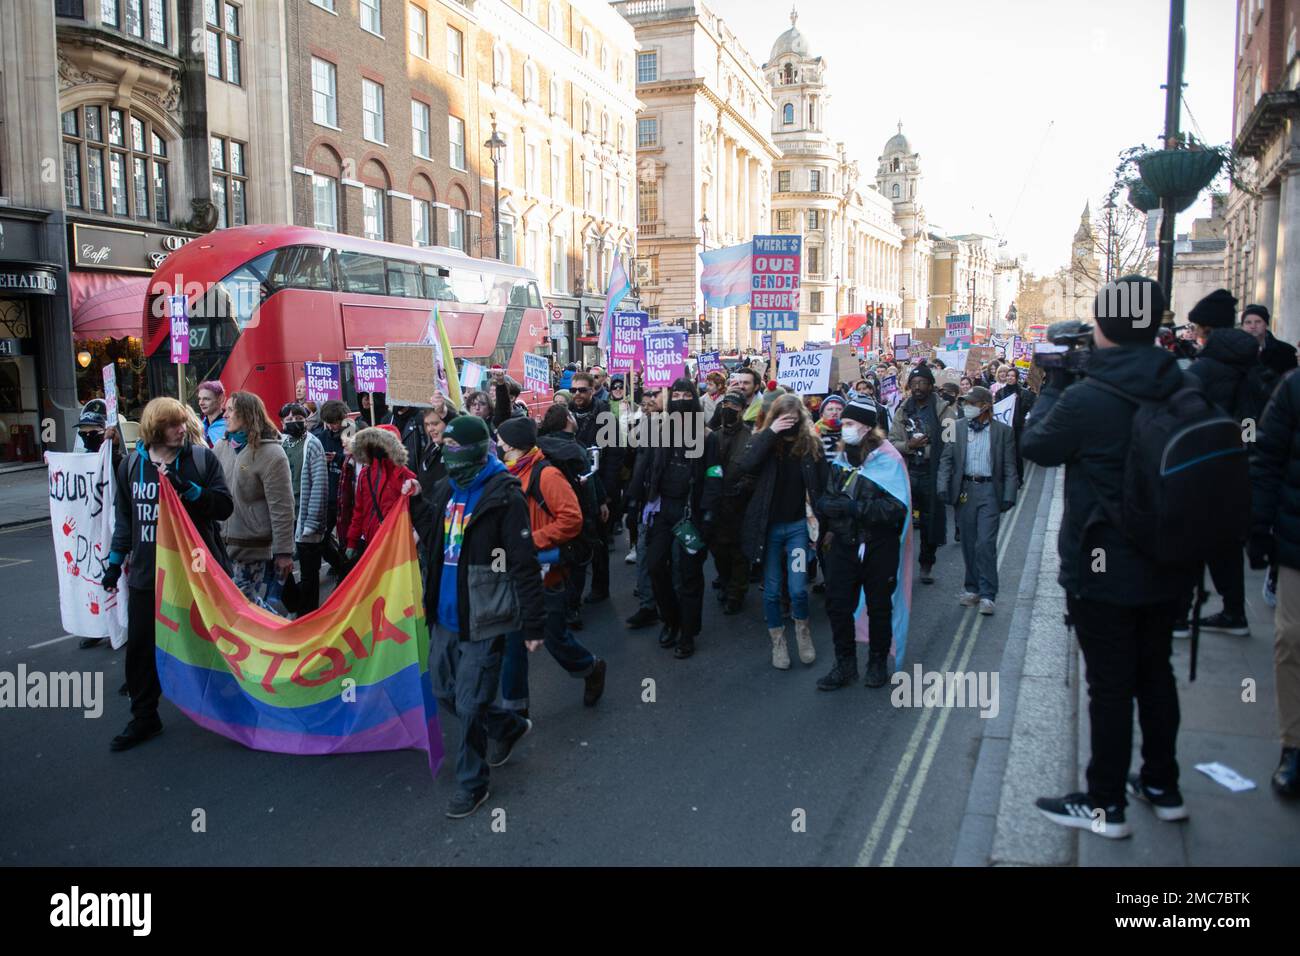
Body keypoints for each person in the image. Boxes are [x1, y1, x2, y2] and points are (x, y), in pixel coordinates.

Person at [1023, 276, 1195, 839]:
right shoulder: (1183, 386)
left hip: (1104, 564)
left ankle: (1104, 804)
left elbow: (1037, 446)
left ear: (1101, 327)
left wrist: (1053, 380)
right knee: (1156, 672)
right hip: (1171, 559)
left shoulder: (1086, 396)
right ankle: (1163, 787)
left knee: (1110, 685)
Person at [412, 414, 545, 819]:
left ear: (475, 451)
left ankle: (473, 782)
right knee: (444, 692)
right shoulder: (443, 490)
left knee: (470, 704)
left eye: (456, 449)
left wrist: (533, 623)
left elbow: (522, 561)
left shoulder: (504, 495)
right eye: (445, 449)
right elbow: (434, 540)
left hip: (485, 616)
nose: (448, 456)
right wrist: (415, 500)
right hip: (445, 615)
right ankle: (506, 725)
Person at [101, 397, 233, 750]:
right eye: (173, 425)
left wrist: (188, 490)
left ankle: (228, 703)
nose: (182, 429)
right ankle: (144, 716)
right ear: (155, 429)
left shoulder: (201, 459)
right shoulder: (131, 466)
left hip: (198, 573)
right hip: (148, 575)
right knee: (141, 648)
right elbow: (125, 521)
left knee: (212, 641)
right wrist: (114, 564)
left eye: (182, 423)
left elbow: (223, 506)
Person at [495, 415, 607, 717]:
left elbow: (571, 520)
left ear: (517, 446)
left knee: (556, 640)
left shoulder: (547, 476)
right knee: (512, 645)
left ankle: (590, 667)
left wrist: (530, 541)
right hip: (518, 574)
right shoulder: (508, 471)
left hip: (546, 574)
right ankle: (515, 716)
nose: (498, 446)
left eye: (502, 442)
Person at [1179, 289, 1258, 637]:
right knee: (1225, 543)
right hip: (1238, 464)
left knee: (1189, 541)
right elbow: (1252, 420)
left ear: (1206, 330)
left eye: (1197, 328)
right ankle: (1234, 611)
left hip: (1204, 463)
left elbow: (1186, 413)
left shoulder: (1206, 369)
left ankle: (1180, 615)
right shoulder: (1252, 358)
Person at [815, 399, 909, 690]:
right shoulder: (842, 459)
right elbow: (828, 497)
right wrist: (829, 507)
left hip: (879, 545)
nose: (844, 428)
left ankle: (877, 662)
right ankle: (845, 665)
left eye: (850, 423)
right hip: (844, 543)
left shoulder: (889, 458)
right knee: (838, 604)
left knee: (879, 605)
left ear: (867, 427)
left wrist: (856, 509)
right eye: (844, 423)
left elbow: (896, 508)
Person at [736, 393, 829, 670]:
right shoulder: (764, 443)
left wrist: (824, 526)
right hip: (770, 532)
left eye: (792, 419)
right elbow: (746, 463)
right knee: (772, 591)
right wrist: (770, 433)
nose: (788, 425)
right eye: (782, 419)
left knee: (799, 589)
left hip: (798, 529)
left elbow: (822, 486)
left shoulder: (811, 445)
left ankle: (802, 632)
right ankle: (778, 641)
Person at [627, 378, 709, 658]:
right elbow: (645, 465)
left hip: (691, 513)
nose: (681, 398)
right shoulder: (660, 429)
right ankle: (671, 620)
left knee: (688, 575)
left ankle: (687, 632)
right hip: (662, 509)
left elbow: (713, 476)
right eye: (676, 394)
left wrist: (706, 514)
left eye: (687, 393)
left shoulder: (707, 435)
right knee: (655, 565)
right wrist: (637, 498)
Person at [1248, 361, 1300, 797]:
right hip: (1297, 541)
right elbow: (1267, 460)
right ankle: (1294, 744)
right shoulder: (1292, 390)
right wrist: (1259, 530)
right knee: (1292, 638)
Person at [937, 386, 1019, 615]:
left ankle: (987, 594)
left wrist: (1009, 495)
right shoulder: (954, 427)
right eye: (965, 403)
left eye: (971, 403)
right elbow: (946, 460)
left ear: (984, 405)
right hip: (965, 490)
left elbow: (1010, 467)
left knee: (985, 543)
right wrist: (942, 486)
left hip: (990, 490)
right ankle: (971, 588)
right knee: (969, 542)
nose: (966, 407)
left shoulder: (1004, 431)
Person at [214, 391, 297, 609]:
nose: (225, 415)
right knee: (235, 607)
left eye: (231, 410)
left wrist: (284, 552)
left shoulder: (271, 454)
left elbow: (282, 508)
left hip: (252, 548)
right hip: (221, 547)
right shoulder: (221, 447)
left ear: (247, 414)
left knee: (242, 607)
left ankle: (283, 636)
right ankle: (279, 634)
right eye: (225, 410)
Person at [889, 365, 957, 584]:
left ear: (930, 385)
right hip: (907, 471)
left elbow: (950, 443)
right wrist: (909, 445)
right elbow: (891, 441)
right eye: (914, 383)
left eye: (922, 383)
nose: (918, 388)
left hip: (931, 472)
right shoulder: (903, 409)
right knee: (900, 520)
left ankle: (926, 562)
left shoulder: (945, 410)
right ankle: (896, 565)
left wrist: (927, 450)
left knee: (930, 520)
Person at [702, 391, 755, 615]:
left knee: (739, 551)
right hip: (718, 501)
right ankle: (725, 580)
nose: (728, 409)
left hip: (741, 503)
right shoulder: (713, 437)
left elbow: (755, 469)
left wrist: (744, 486)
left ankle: (736, 592)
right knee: (719, 548)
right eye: (725, 404)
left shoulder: (751, 438)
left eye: (733, 406)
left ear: (742, 410)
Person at [344, 424, 421, 561]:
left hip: (396, 543)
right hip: (371, 542)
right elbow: (359, 511)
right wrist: (352, 541)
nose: (377, 448)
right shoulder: (364, 475)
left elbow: (414, 512)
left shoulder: (404, 475)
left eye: (382, 443)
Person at [567, 371, 612, 606]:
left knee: (599, 541)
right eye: (573, 390)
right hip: (573, 488)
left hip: (598, 487)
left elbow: (614, 455)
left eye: (582, 390)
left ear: (592, 390)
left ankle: (600, 587)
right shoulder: (566, 413)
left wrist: (607, 494)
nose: (577, 394)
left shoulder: (604, 413)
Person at [279, 403, 329, 614]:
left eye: (297, 418)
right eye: (288, 420)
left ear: (306, 419)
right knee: (282, 568)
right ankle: (294, 605)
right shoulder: (280, 444)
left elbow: (319, 483)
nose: (293, 422)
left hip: (306, 514)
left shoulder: (313, 444)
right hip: (285, 515)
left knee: (309, 572)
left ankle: (309, 615)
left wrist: (313, 522)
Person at [311, 399, 351, 576]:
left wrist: (337, 458)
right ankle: (339, 565)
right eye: (330, 423)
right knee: (320, 539)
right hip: (327, 497)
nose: (334, 427)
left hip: (348, 497)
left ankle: (346, 570)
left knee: (348, 540)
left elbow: (358, 460)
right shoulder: (320, 437)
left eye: (336, 422)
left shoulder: (353, 433)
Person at [1241, 303, 1298, 380]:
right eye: (1248, 322)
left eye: (1258, 322)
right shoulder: (1232, 351)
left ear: (1266, 324)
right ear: (1242, 326)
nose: (1253, 326)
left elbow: (1292, 383)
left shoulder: (1286, 352)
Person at [416, 406, 450, 504]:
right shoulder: (430, 448)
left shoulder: (455, 451)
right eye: (427, 424)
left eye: (435, 424)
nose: (430, 429)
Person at [196, 380, 227, 447]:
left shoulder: (229, 426)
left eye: (206, 399)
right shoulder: (200, 425)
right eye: (199, 399)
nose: (201, 403)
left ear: (220, 399)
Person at [816, 394, 845, 461]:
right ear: (822, 414)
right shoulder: (813, 433)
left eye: (839, 409)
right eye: (830, 409)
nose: (834, 412)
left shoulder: (851, 433)